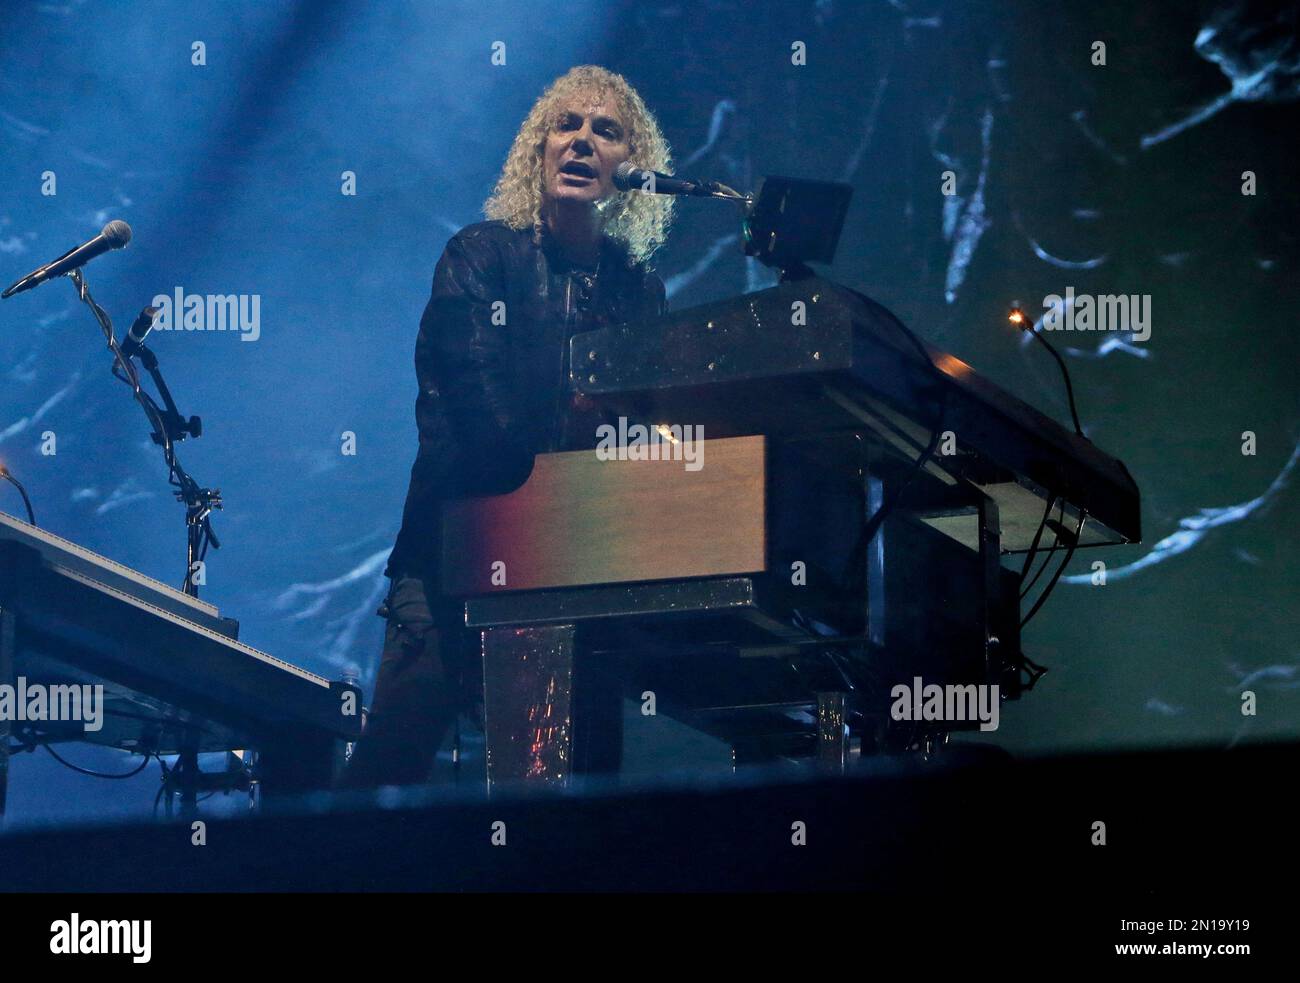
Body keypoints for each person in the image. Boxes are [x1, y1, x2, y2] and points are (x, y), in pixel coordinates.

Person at [341, 65, 675, 788]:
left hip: (580, 581)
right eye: (567, 124)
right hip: (451, 560)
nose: (582, 141)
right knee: (387, 773)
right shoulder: (481, 256)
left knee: (576, 797)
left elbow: (643, 432)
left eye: (605, 131)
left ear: (632, 167)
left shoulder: (640, 291)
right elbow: (479, 412)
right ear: (539, 149)